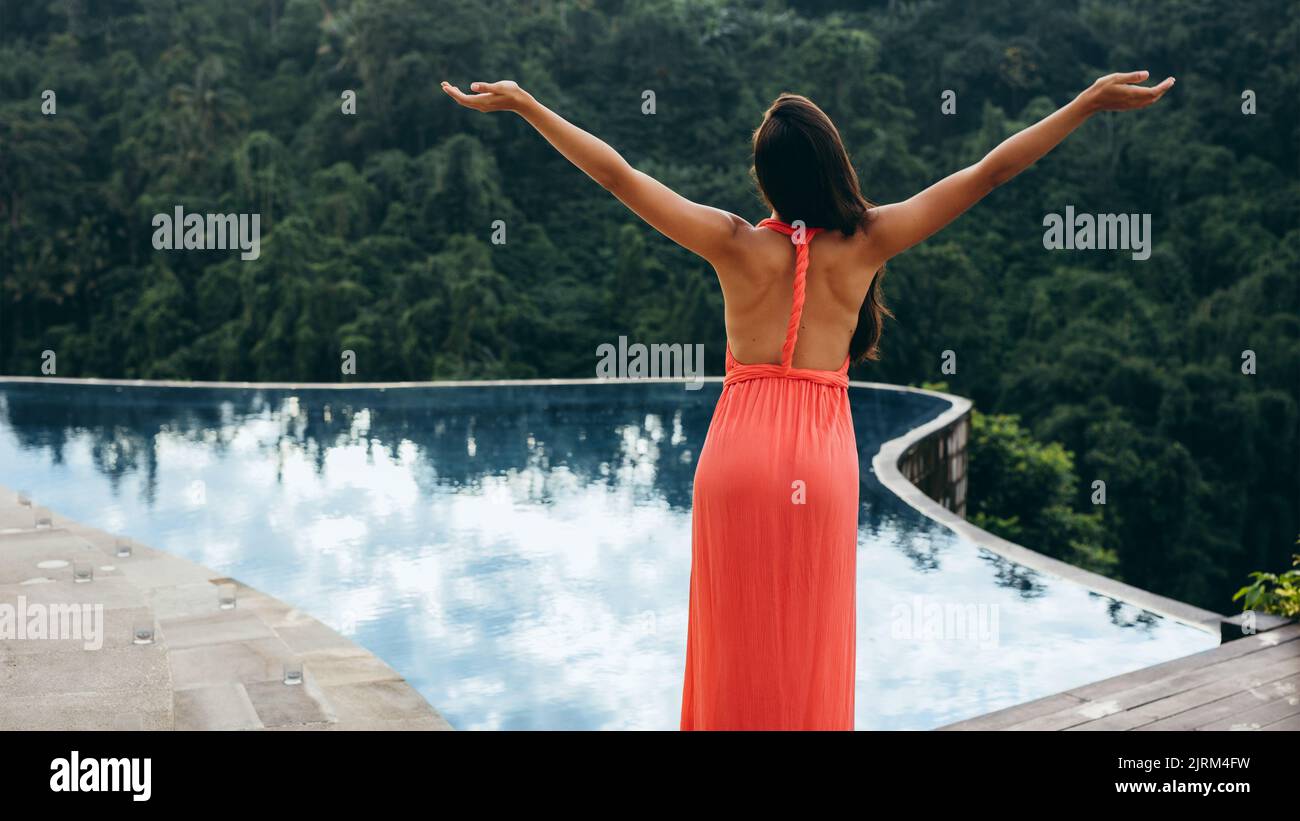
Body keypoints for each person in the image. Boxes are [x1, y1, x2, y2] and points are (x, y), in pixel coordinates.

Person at [442, 70, 1174, 730]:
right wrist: (1085, 104)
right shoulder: (868, 242)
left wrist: (529, 105)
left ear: (764, 178)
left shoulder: (731, 243)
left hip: (735, 462)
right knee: (808, 643)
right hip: (819, 467)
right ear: (834, 165)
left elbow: (618, 176)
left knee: (733, 642)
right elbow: (990, 172)